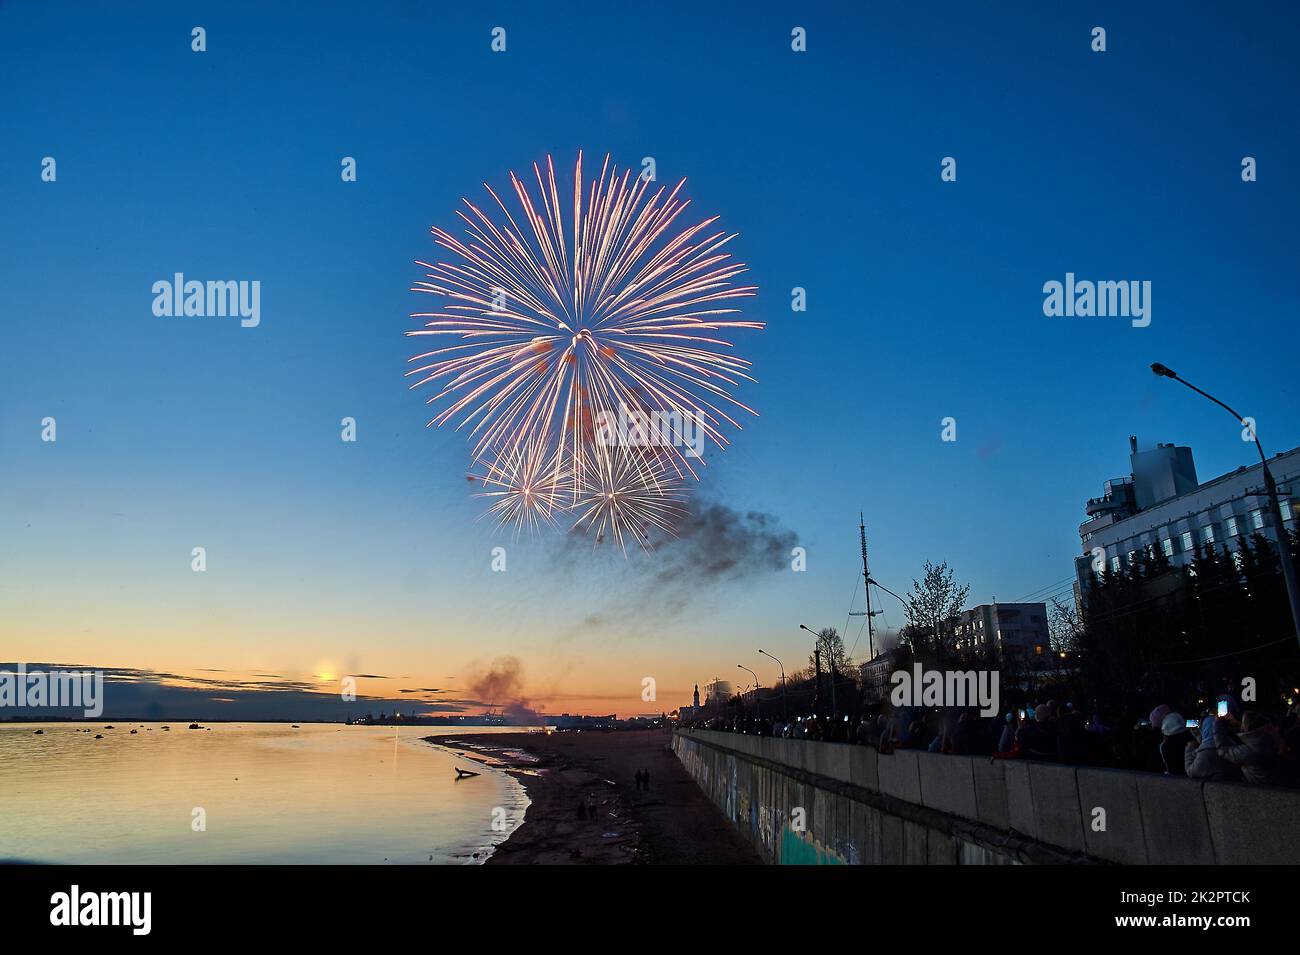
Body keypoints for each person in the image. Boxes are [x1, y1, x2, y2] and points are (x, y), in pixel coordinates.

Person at [1215, 711, 1284, 785]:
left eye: (1243, 722)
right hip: (1276, 784)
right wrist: (1238, 724)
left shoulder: (1250, 751)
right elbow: (1252, 734)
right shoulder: (1270, 737)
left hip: (1261, 790)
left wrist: (1217, 725)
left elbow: (1223, 751)